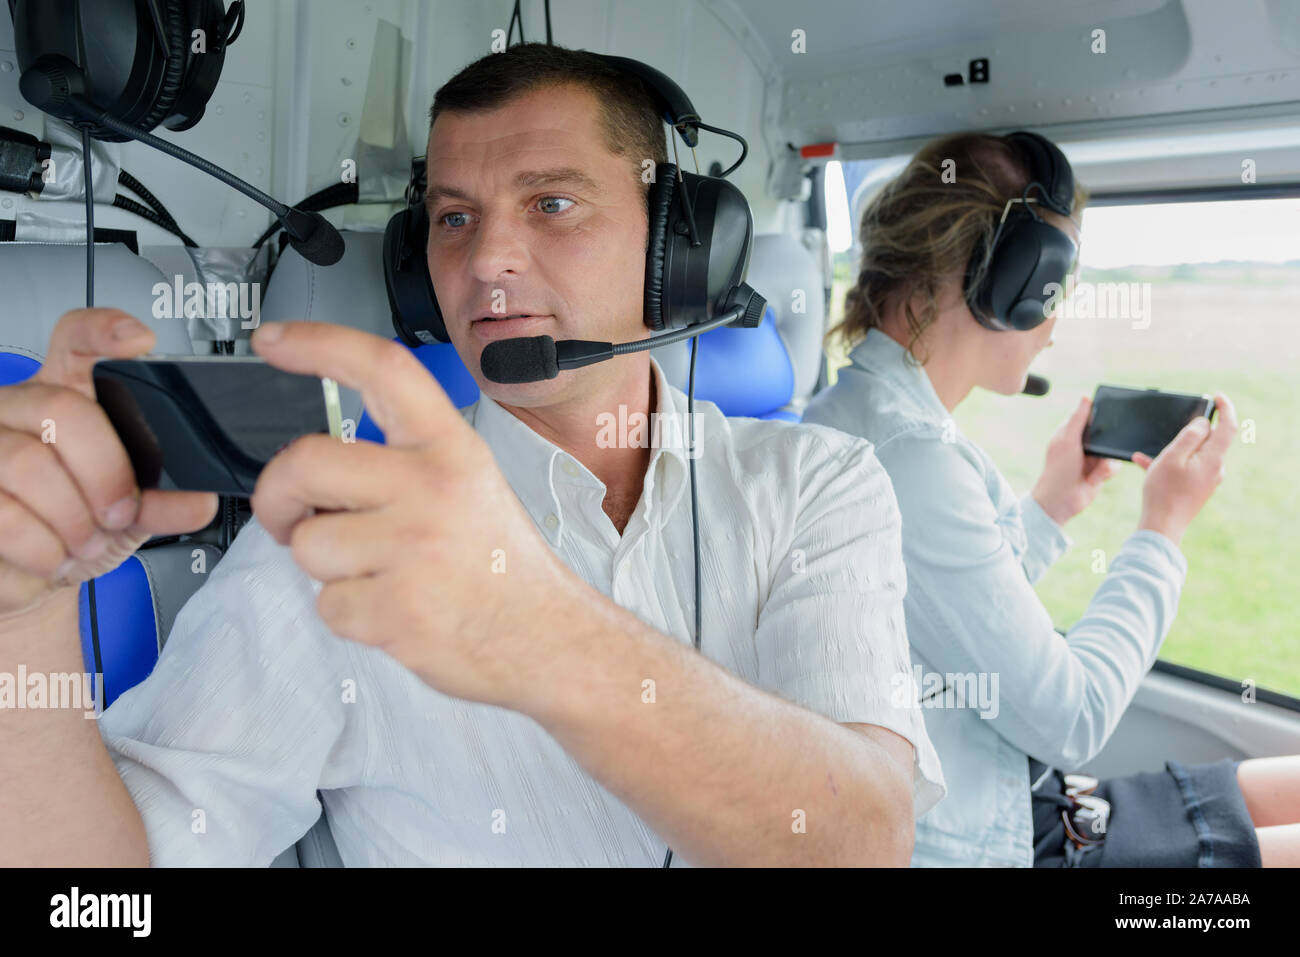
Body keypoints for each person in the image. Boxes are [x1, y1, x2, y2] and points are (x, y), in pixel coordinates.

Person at [0, 43, 942, 867]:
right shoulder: (327, 543)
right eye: (454, 218)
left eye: (553, 203)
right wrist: (27, 613)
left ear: (674, 246)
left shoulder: (818, 484)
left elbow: (862, 844)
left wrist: (533, 629)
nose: (488, 259)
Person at [802, 130, 1300, 867]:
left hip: (1023, 804)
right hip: (993, 844)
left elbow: (947, 614)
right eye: (1053, 289)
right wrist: (1162, 528)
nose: (1056, 326)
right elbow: (1075, 716)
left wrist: (1049, 507)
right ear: (1002, 280)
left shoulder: (867, 418)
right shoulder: (908, 458)